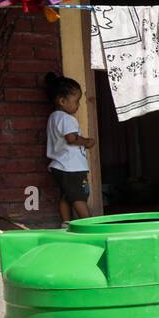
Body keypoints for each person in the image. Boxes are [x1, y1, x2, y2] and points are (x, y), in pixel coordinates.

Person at [45, 72, 94, 223]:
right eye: (76, 101)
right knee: (79, 197)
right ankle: (89, 224)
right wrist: (87, 142)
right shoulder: (67, 118)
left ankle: (66, 224)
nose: (78, 105)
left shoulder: (53, 117)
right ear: (62, 101)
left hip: (59, 166)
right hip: (71, 167)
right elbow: (71, 139)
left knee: (66, 196)